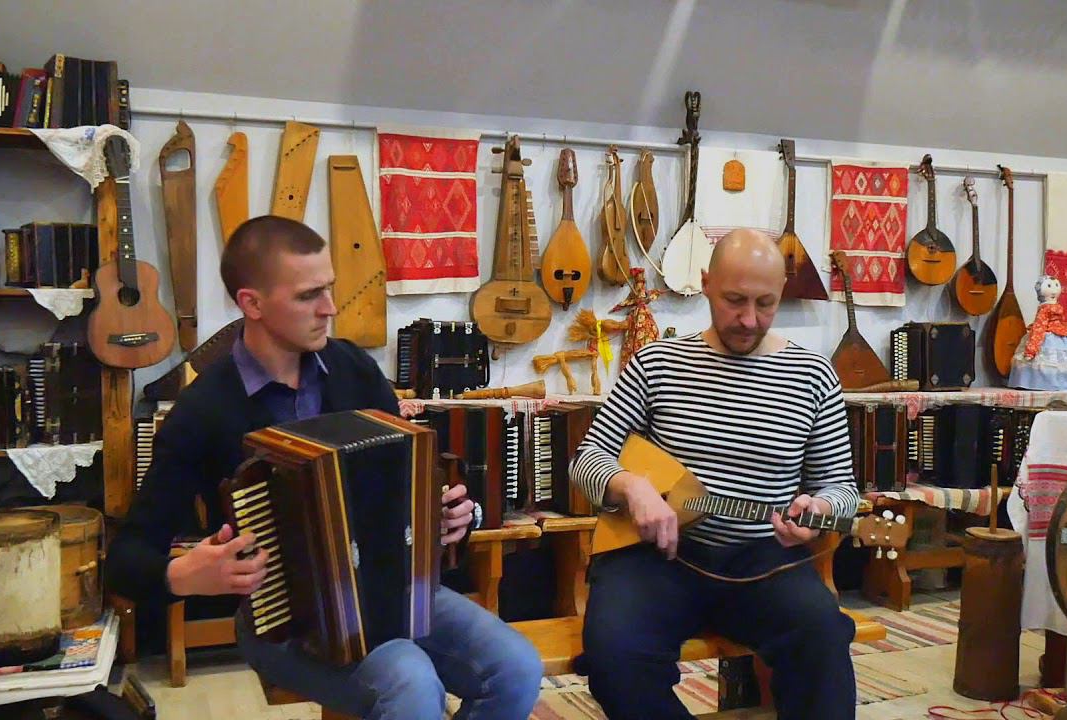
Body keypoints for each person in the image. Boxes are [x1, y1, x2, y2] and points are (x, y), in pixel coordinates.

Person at [105, 215, 542, 719]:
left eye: (329, 288)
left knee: (516, 668)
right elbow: (126, 558)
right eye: (309, 295)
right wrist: (183, 574)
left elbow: (412, 475)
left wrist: (450, 515)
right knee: (409, 681)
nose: (330, 308)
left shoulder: (353, 369)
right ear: (252, 303)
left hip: (393, 591)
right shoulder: (204, 409)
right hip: (285, 621)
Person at [569, 228, 860, 719]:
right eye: (734, 300)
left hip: (763, 559)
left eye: (765, 303)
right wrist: (631, 486)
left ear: (782, 291)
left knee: (823, 638)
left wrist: (822, 507)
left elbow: (842, 487)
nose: (749, 319)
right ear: (706, 284)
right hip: (657, 557)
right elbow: (587, 459)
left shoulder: (813, 374)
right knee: (614, 655)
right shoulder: (657, 362)